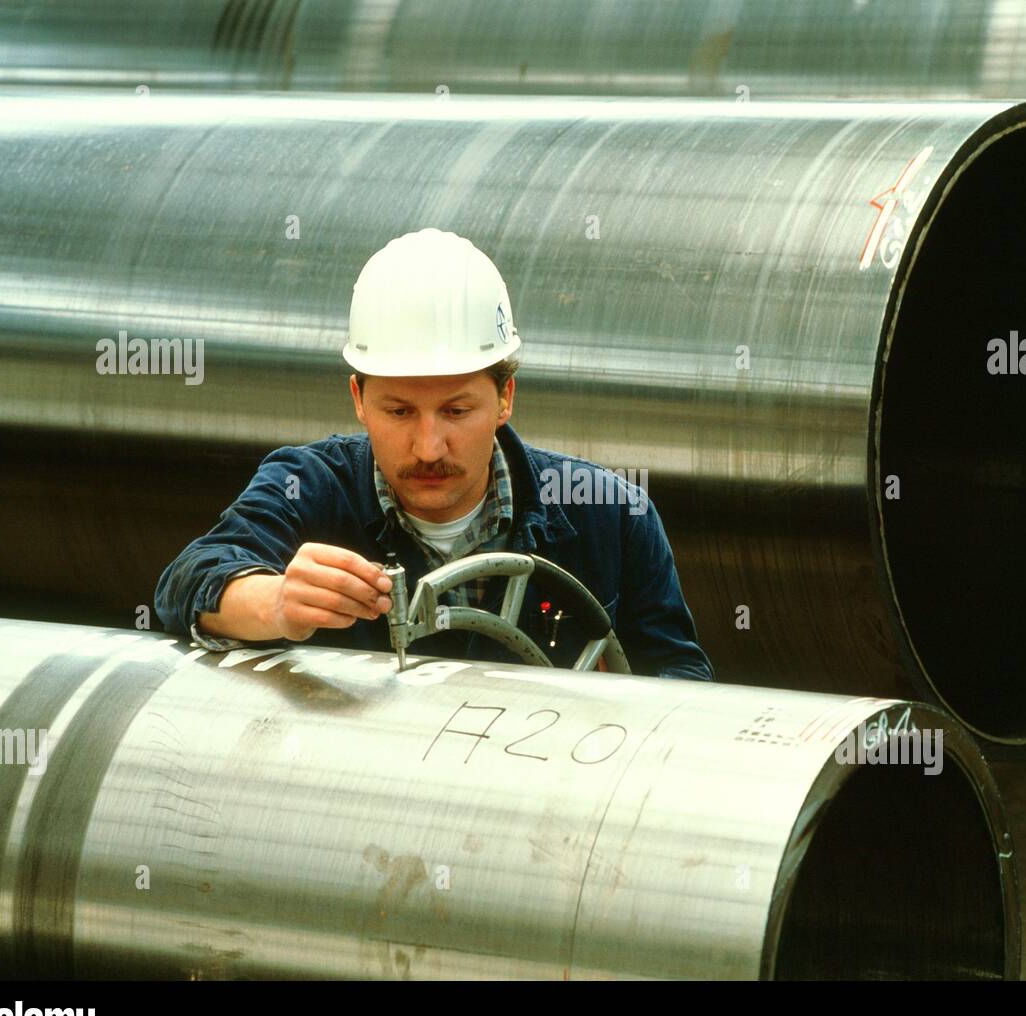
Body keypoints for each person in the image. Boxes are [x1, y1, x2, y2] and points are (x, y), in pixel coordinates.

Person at [154, 228, 712, 680]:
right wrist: (275, 603)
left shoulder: (610, 515)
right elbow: (186, 582)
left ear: (504, 398)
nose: (428, 448)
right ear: (358, 401)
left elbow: (680, 682)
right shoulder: (307, 486)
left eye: (456, 411)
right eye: (398, 412)